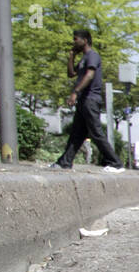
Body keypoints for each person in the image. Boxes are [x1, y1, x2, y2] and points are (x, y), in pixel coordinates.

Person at [51, 29, 121, 170]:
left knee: (95, 132)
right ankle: (64, 162)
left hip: (91, 99)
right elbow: (71, 73)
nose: (74, 41)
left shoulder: (93, 56)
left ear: (85, 40)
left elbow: (89, 76)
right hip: (84, 100)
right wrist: (71, 56)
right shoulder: (83, 58)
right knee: (77, 133)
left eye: (76, 39)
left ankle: (115, 163)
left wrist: (75, 92)